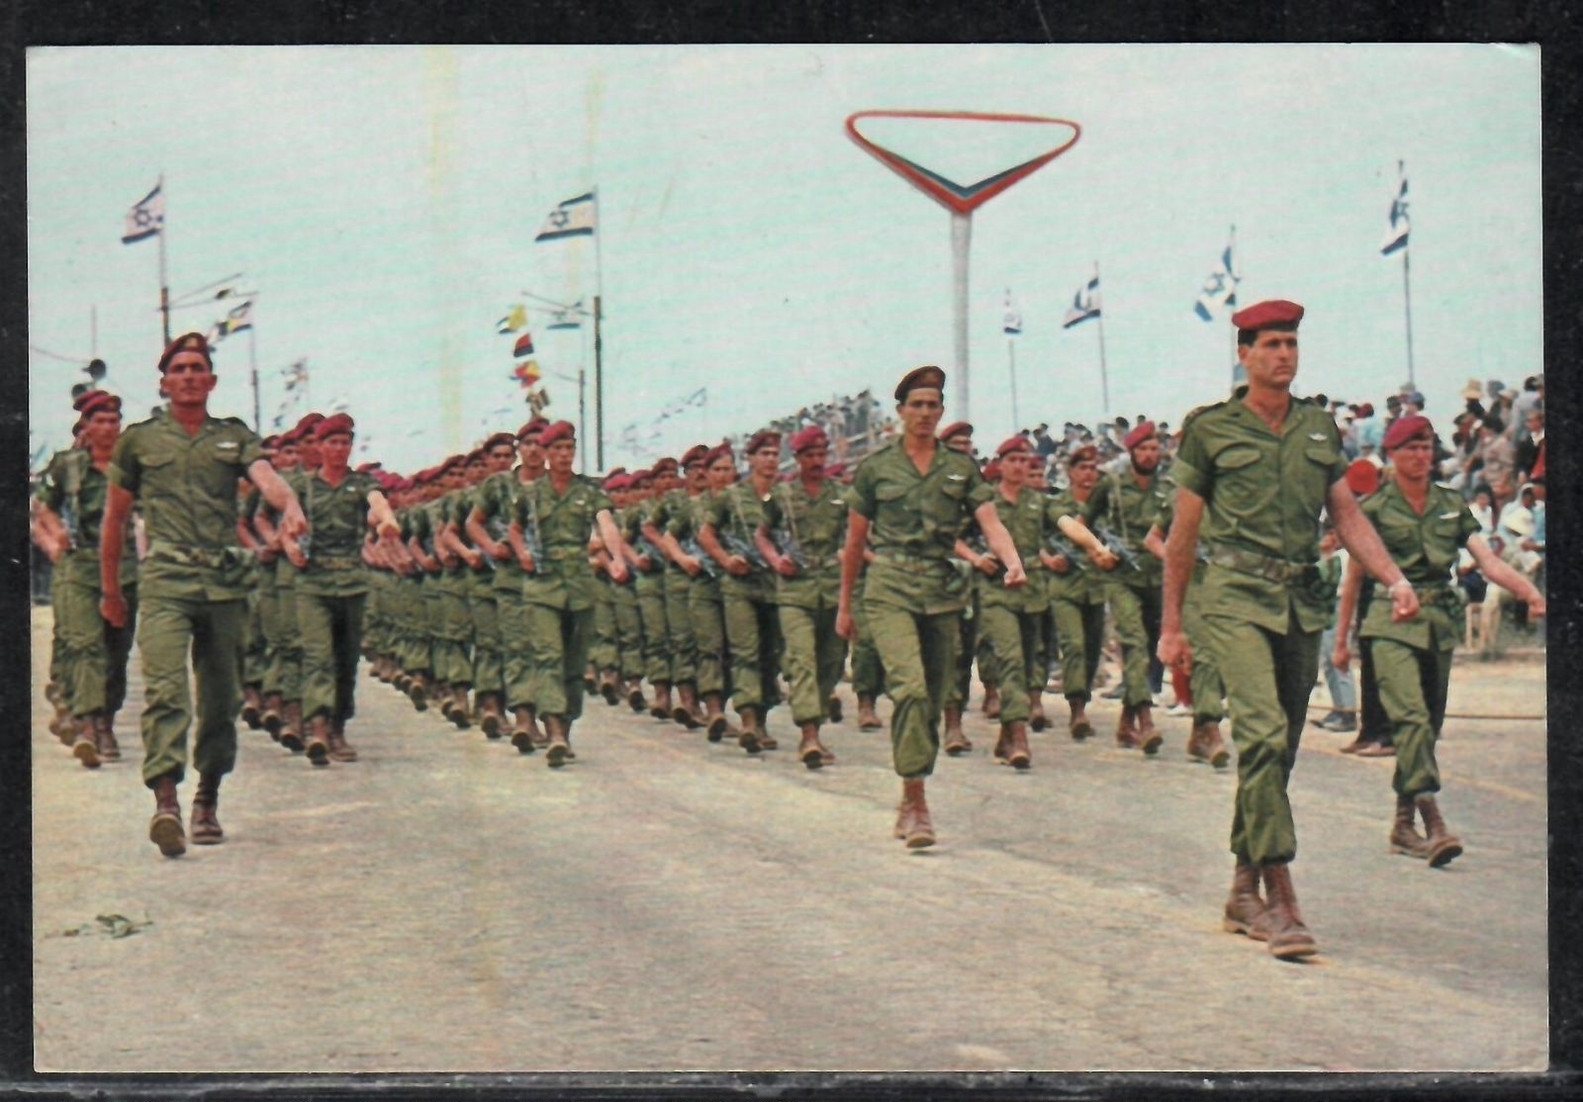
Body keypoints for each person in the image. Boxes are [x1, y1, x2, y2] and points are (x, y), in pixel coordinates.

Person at [1157, 301, 1418, 960]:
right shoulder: (1210, 431)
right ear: (1242, 354)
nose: (1282, 355)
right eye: (1270, 344)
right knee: (1264, 737)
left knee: (1281, 751)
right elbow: (1183, 536)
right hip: (1234, 598)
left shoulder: (1316, 428)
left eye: (1290, 344)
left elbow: (1346, 515)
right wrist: (1171, 628)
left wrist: (1391, 577)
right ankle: (1282, 898)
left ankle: (1241, 890)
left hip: (1299, 600)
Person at [99, 333, 307, 857]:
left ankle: (207, 798)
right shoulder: (141, 441)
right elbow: (116, 518)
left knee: (221, 699)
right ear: (164, 382)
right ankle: (166, 800)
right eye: (179, 369)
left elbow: (267, 479)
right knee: (167, 691)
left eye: (198, 368)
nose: (189, 376)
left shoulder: (233, 437)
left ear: (211, 381)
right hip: (166, 579)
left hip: (224, 583)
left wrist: (290, 506)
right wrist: (110, 590)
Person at [1332, 414, 1545, 866]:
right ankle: (1434, 820)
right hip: (1388, 623)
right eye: (1411, 448)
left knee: (1426, 729)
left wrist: (1528, 590)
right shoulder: (1372, 509)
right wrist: (1342, 640)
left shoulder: (1450, 504)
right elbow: (1353, 579)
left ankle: (1403, 824)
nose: (1421, 456)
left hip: (1438, 623)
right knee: (1409, 719)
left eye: (1427, 448)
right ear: (1391, 455)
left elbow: (1486, 560)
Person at [836, 366, 1026, 849]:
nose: (924, 413)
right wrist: (845, 606)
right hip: (890, 587)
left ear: (941, 412)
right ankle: (916, 800)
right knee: (912, 689)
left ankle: (911, 793)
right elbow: (855, 544)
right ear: (900, 412)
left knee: (937, 695)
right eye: (915, 405)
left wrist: (1012, 561)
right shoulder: (877, 468)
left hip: (942, 590)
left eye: (932, 405)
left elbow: (989, 520)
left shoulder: (959, 469)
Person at [279, 413, 403, 765]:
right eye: (331, 442)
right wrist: (291, 548)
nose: (338, 449)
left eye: (344, 442)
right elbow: (286, 527)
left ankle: (337, 728)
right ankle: (317, 728)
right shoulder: (303, 487)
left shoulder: (360, 483)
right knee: (318, 656)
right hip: (313, 583)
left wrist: (388, 523)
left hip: (351, 583)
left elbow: (378, 504)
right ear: (319, 446)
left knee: (346, 659)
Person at [507, 421, 629, 766]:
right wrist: (523, 553)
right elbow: (514, 530)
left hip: (579, 585)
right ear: (545, 454)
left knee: (575, 662)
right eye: (557, 449)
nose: (563, 456)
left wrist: (617, 559)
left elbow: (606, 524)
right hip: (542, 586)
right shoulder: (530, 493)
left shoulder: (588, 491)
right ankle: (555, 730)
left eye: (569, 449)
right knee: (548, 656)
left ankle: (566, 723)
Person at [33, 390, 140, 767]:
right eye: (100, 421)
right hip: (80, 567)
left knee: (116, 650)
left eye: (114, 421)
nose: (108, 428)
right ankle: (90, 725)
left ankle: (106, 719)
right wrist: (55, 534)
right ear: (87, 427)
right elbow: (43, 506)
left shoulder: (131, 467)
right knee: (86, 646)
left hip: (125, 569)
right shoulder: (69, 465)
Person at [758, 424, 849, 768]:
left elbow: (856, 534)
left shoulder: (841, 494)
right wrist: (775, 559)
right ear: (796, 458)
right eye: (809, 455)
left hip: (832, 585)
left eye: (821, 454)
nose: (816, 461)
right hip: (795, 589)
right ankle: (808, 735)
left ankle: (817, 725)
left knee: (831, 661)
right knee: (803, 659)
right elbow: (762, 535)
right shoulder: (781, 495)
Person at [959, 436, 1052, 769]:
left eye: (1024, 460)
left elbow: (1062, 523)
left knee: (1028, 664)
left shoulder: (1037, 501)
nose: (1018, 466)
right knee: (1010, 658)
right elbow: (952, 535)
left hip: (1032, 591)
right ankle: (1018, 735)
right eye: (1012, 460)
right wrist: (974, 557)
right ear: (999, 464)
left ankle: (1005, 735)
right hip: (996, 590)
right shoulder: (985, 502)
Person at [1080, 419, 1172, 754]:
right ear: (1131, 451)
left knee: (1149, 649)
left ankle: (1125, 722)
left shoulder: (1169, 487)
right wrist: (1097, 551)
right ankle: (1145, 721)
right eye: (1143, 449)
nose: (1150, 455)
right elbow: (1081, 524)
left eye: (1154, 448)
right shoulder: (1112, 485)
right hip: (1121, 578)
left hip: (1157, 577)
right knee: (1133, 642)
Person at [699, 430, 786, 752]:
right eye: (763, 454)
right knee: (745, 651)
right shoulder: (732, 497)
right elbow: (706, 533)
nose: (770, 460)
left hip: (777, 586)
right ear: (749, 460)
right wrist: (726, 559)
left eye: (775, 454)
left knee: (771, 654)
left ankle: (761, 720)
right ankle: (749, 719)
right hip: (739, 585)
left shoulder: (786, 494)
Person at [1042, 444, 1108, 741]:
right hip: (1066, 585)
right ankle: (1076, 709)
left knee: (1092, 651)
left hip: (1095, 587)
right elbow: (1038, 539)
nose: (1089, 474)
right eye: (1083, 468)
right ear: (1070, 472)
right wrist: (1048, 559)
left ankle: (1084, 698)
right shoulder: (1057, 503)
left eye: (1093, 468)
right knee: (1074, 645)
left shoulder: (1106, 505)